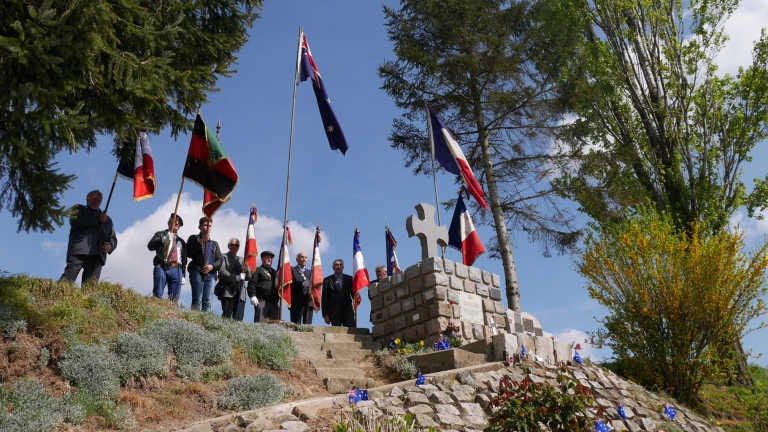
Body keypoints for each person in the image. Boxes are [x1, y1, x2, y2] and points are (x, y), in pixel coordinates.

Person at [60, 190, 117, 284]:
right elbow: (75, 222)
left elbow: (113, 238)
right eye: (94, 197)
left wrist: (110, 245)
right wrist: (98, 220)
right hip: (79, 251)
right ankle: (55, 296)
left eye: (99, 198)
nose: (97, 199)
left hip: (97, 255)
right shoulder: (78, 209)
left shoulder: (107, 219)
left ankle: (88, 299)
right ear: (87, 198)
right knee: (68, 278)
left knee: (90, 287)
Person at [147, 214, 187, 303]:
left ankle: (171, 315)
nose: (177, 224)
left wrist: (183, 274)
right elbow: (150, 246)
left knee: (174, 299)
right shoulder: (160, 234)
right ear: (169, 223)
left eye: (178, 224)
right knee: (157, 294)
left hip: (177, 269)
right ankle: (155, 309)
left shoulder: (181, 242)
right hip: (162, 266)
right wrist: (162, 239)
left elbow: (184, 260)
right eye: (174, 222)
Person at [186, 216, 222, 311]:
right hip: (197, 271)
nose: (208, 227)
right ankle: (194, 321)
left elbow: (220, 260)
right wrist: (200, 242)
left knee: (207, 300)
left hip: (211, 274)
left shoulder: (214, 244)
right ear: (200, 227)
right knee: (197, 298)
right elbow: (188, 253)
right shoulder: (193, 238)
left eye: (210, 225)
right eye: (205, 225)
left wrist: (212, 266)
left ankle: (204, 321)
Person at [215, 238, 245, 319]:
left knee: (238, 319)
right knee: (226, 316)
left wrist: (246, 269)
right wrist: (236, 277)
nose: (234, 247)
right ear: (229, 246)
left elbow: (248, 276)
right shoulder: (223, 257)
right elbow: (222, 271)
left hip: (240, 291)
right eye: (232, 245)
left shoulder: (242, 260)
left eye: (237, 245)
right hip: (227, 291)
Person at [321, 259, 355, 327]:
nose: (338, 266)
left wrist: (357, 296)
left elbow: (354, 295)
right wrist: (325, 315)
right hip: (334, 312)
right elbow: (324, 299)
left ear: (343, 267)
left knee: (351, 331)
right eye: (336, 265)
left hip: (347, 310)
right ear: (333, 267)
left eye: (340, 265)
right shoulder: (327, 280)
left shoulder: (349, 279)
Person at [247, 251, 278, 322]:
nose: (269, 259)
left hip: (273, 302)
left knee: (274, 326)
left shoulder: (275, 272)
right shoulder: (258, 270)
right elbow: (252, 284)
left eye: (271, 258)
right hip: (261, 300)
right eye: (267, 257)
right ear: (262, 259)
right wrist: (252, 296)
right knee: (260, 323)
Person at [290, 251, 313, 325]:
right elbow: (289, 284)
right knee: (295, 325)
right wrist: (301, 284)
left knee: (308, 326)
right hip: (296, 302)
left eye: (306, 258)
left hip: (308, 301)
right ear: (297, 259)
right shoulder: (292, 270)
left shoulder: (311, 272)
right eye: (302, 257)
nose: (304, 259)